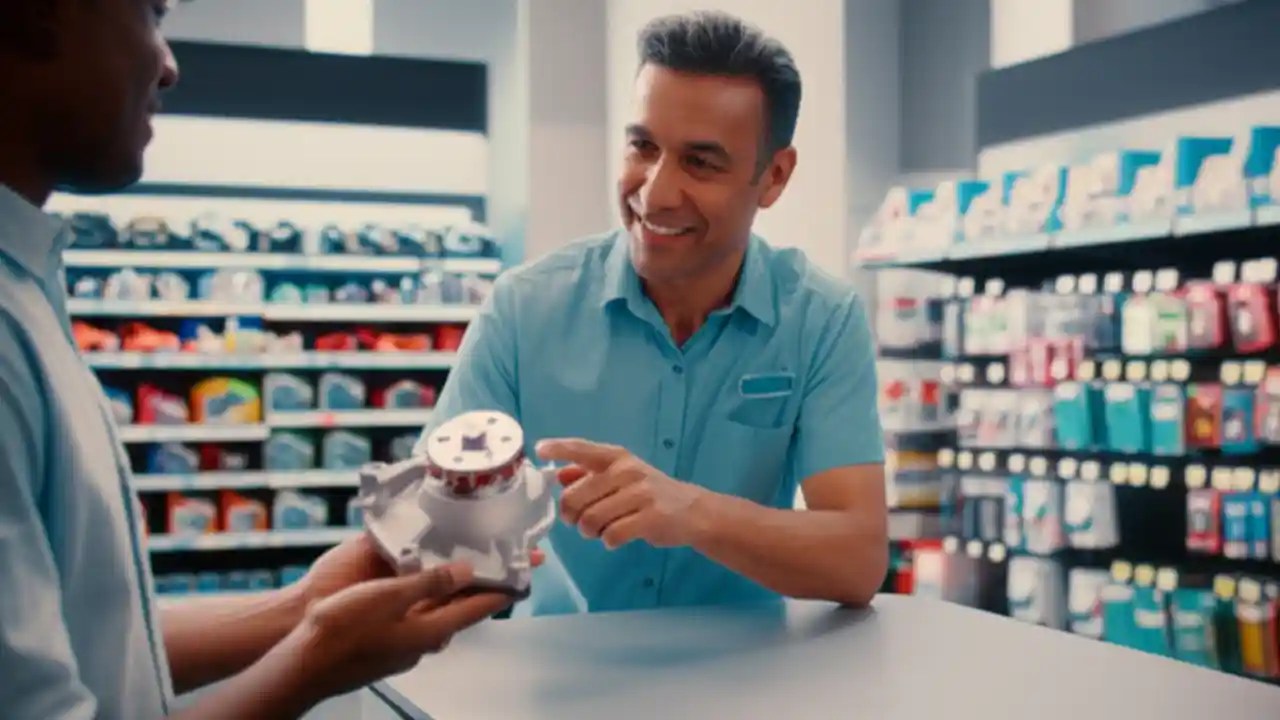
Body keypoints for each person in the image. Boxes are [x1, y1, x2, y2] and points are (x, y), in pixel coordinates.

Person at [0, 2, 520, 718]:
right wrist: (314, 662)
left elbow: (91, 646)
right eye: (150, 12)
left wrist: (302, 606)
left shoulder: (26, 282)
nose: (168, 64)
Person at [421, 10, 889, 618]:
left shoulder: (822, 320)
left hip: (750, 672)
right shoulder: (521, 309)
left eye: (701, 162)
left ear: (774, 177)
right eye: (643, 147)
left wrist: (693, 513)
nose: (655, 192)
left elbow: (858, 561)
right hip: (559, 668)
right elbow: (434, 531)